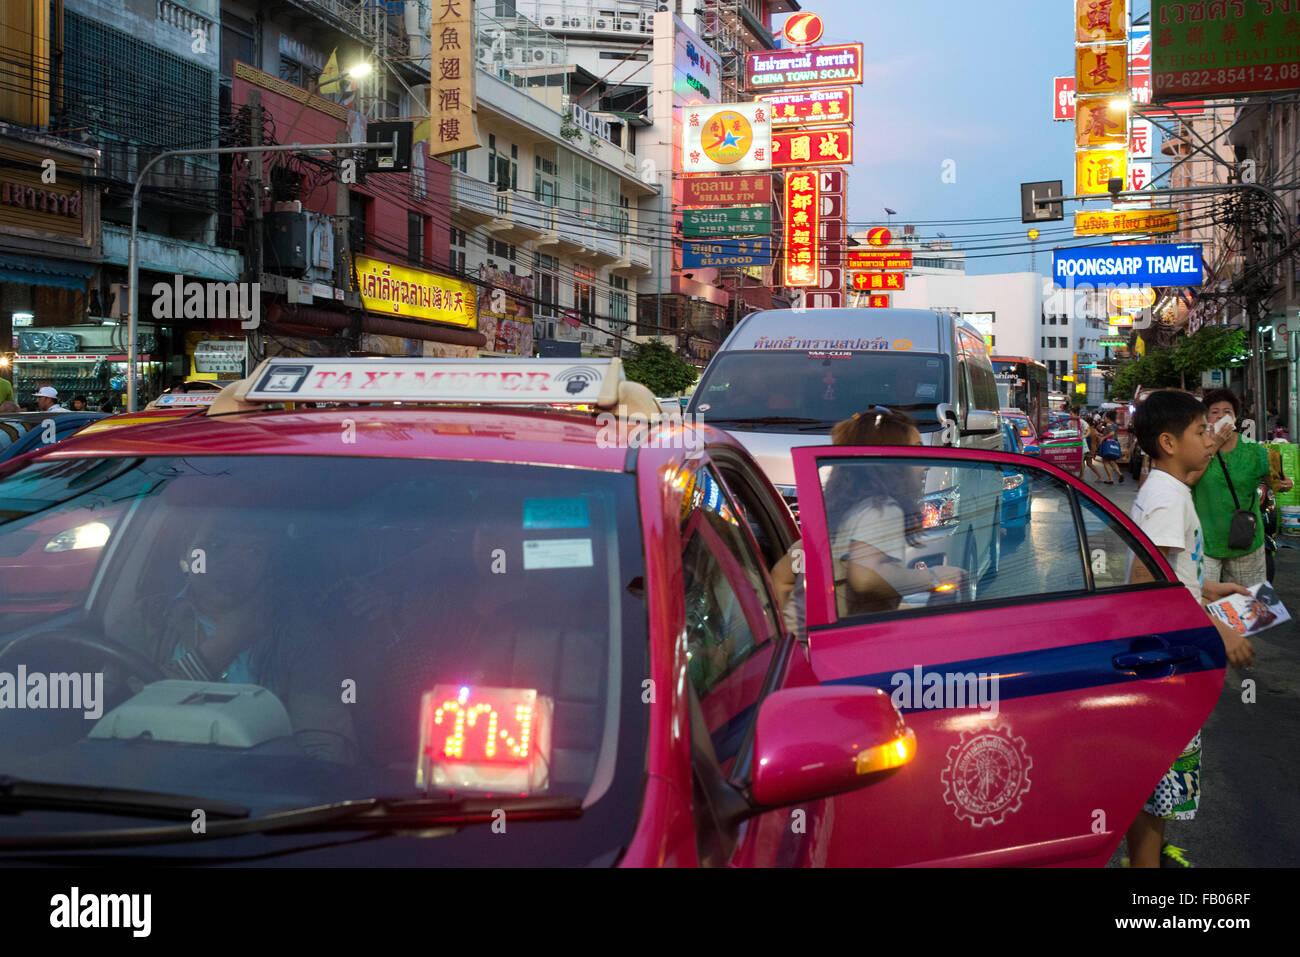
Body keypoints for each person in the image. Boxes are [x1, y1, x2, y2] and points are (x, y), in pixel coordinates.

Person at [1124, 390, 1255, 869]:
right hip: (1163, 663)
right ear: (1168, 442)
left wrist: (1209, 588)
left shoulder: (1172, 490)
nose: (1209, 438)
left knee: (1160, 784)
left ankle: (1150, 856)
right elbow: (1146, 583)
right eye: (1200, 431)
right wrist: (1219, 633)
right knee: (1157, 781)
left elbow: (1170, 574)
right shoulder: (1163, 497)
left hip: (1171, 655)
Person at [770, 407, 965, 637]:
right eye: (915, 451)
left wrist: (792, 634)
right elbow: (864, 577)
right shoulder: (882, 510)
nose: (925, 464)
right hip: (829, 654)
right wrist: (934, 577)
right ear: (891, 462)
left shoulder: (840, 516)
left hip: (800, 652)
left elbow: (782, 577)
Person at [1190, 389, 1290, 589]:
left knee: (1248, 603)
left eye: (1227, 411)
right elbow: (1189, 479)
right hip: (1202, 543)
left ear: (1235, 418)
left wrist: (1286, 484)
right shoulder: (1194, 447)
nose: (1221, 416)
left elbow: (1275, 481)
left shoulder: (1253, 449)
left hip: (1245, 541)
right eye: (1214, 412)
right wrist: (1216, 442)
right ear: (1205, 418)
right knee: (1202, 605)